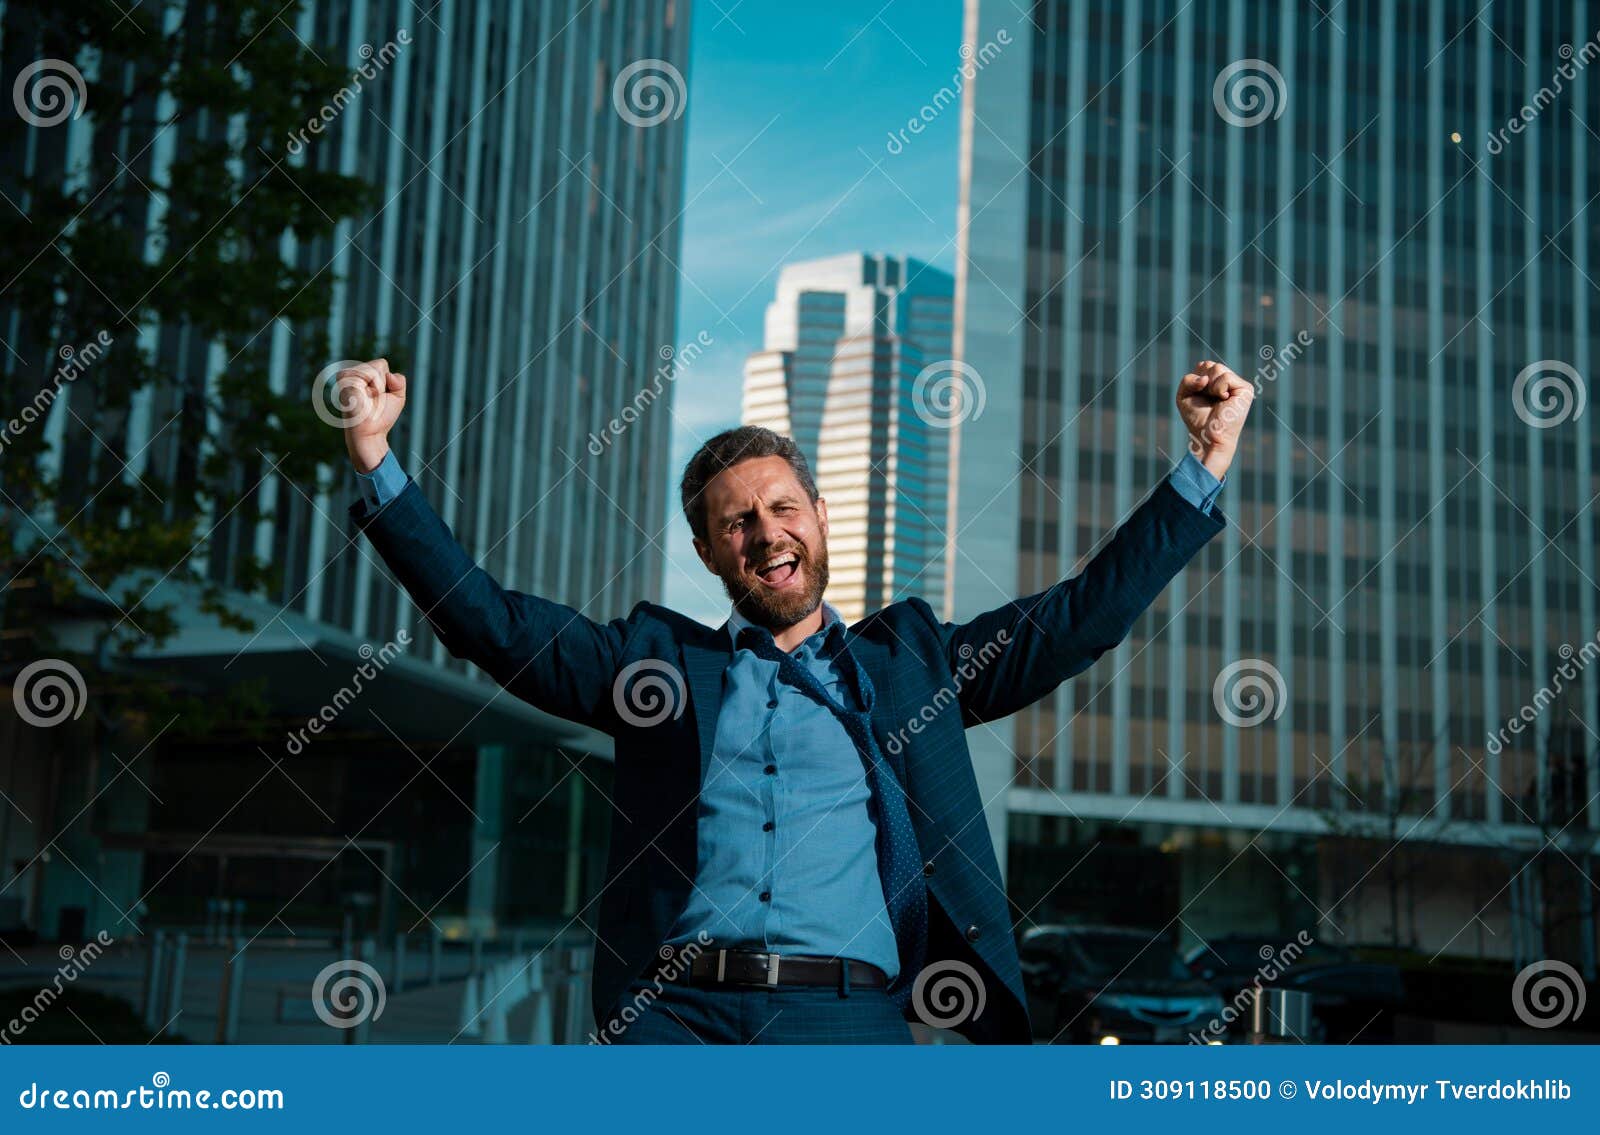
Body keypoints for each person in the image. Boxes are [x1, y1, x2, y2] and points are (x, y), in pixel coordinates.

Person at [338, 357, 1253, 1043]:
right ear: (707, 551)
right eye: (736, 521)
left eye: (782, 507)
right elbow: (488, 622)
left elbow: (1076, 620)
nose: (766, 533)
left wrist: (1203, 464)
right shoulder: (653, 667)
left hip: (842, 1017)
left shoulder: (909, 666)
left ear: (817, 513)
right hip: (673, 1019)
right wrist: (376, 458)